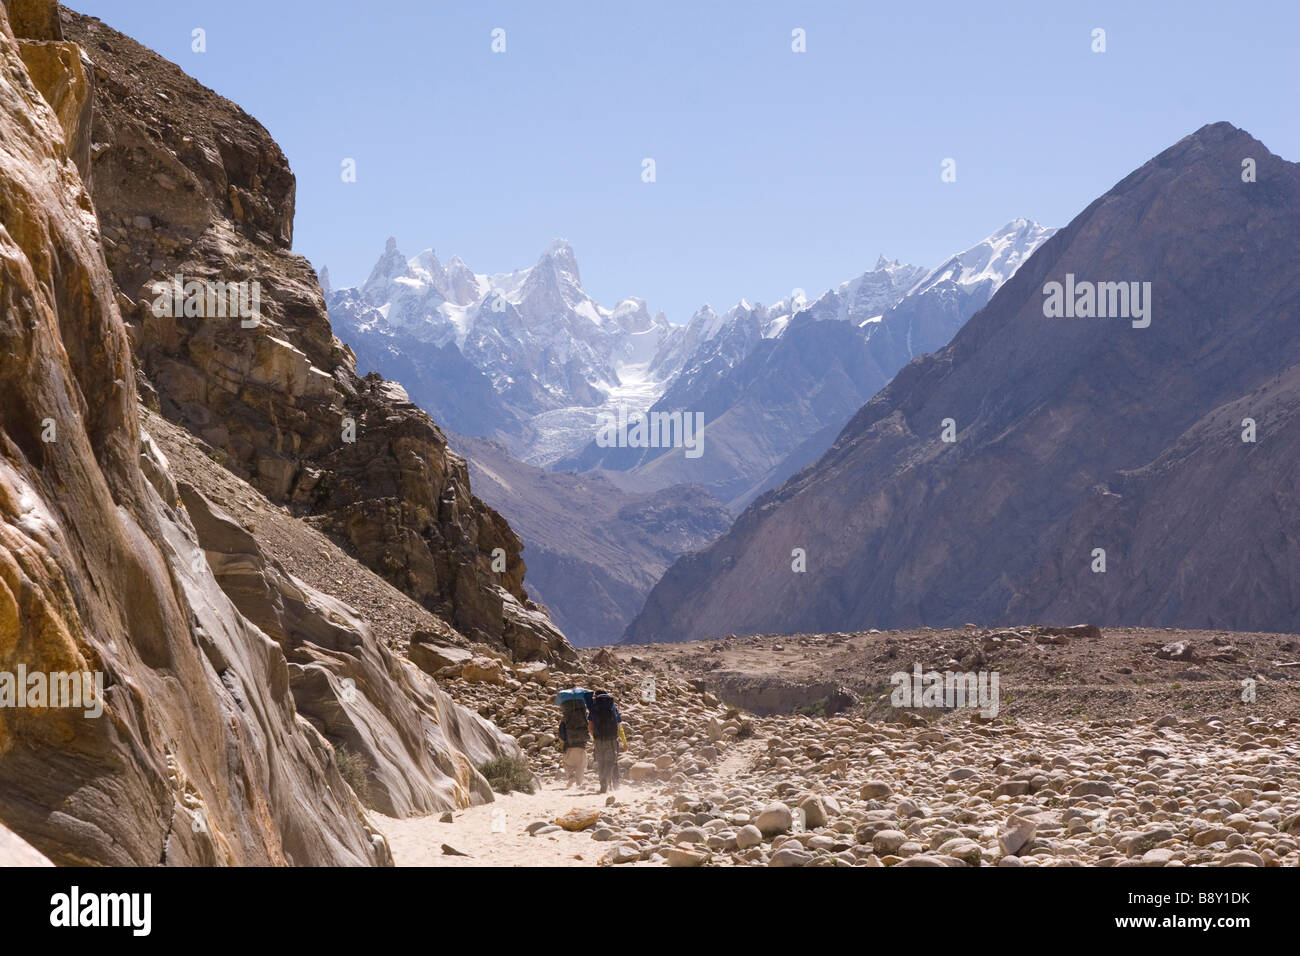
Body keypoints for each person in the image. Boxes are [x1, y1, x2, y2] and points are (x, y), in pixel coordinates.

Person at [588, 689, 627, 794]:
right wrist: (624, 741)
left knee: (601, 763)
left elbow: (590, 726)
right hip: (612, 740)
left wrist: (594, 738)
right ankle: (607, 779)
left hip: (598, 740)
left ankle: (603, 784)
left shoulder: (594, 707)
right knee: (610, 762)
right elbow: (619, 726)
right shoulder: (613, 706)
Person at [557, 693, 590, 788]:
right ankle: (579, 783)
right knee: (581, 765)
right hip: (582, 744)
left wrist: (563, 740)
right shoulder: (583, 716)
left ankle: (571, 776)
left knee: (567, 763)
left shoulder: (565, 718)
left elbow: (561, 732)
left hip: (570, 744)